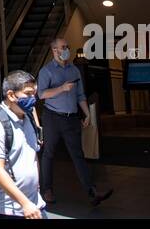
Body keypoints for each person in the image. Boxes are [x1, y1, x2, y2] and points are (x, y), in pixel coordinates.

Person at [37, 36, 113, 206]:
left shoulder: (74, 70)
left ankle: (92, 192)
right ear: (54, 50)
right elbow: (41, 94)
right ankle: (47, 189)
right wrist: (61, 88)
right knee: (49, 153)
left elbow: (80, 95)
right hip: (53, 117)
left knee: (78, 155)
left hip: (71, 118)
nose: (66, 50)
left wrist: (87, 113)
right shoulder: (46, 71)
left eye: (67, 46)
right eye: (63, 47)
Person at [0, 70, 46, 219]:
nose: (32, 98)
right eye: (28, 94)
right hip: (5, 210)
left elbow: (32, 155)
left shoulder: (28, 118)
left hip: (34, 204)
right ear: (11, 95)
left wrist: (36, 189)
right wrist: (24, 203)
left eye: (34, 93)